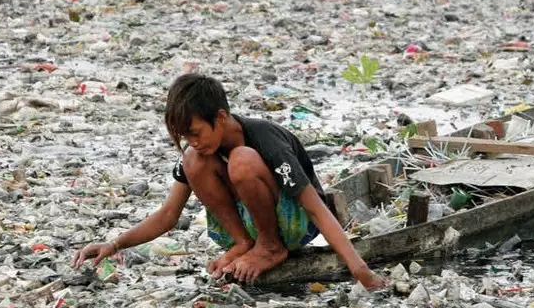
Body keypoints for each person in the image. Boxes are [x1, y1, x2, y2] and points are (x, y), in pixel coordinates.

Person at [73, 74, 385, 289]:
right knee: (192, 160)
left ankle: (270, 247)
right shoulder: (198, 151)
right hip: (249, 227)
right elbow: (168, 215)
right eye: (185, 136)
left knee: (242, 160)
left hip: (294, 224)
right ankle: (243, 243)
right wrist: (113, 245)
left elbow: (316, 208)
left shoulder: (265, 139)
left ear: (221, 117)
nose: (192, 141)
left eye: (196, 133)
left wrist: (359, 269)